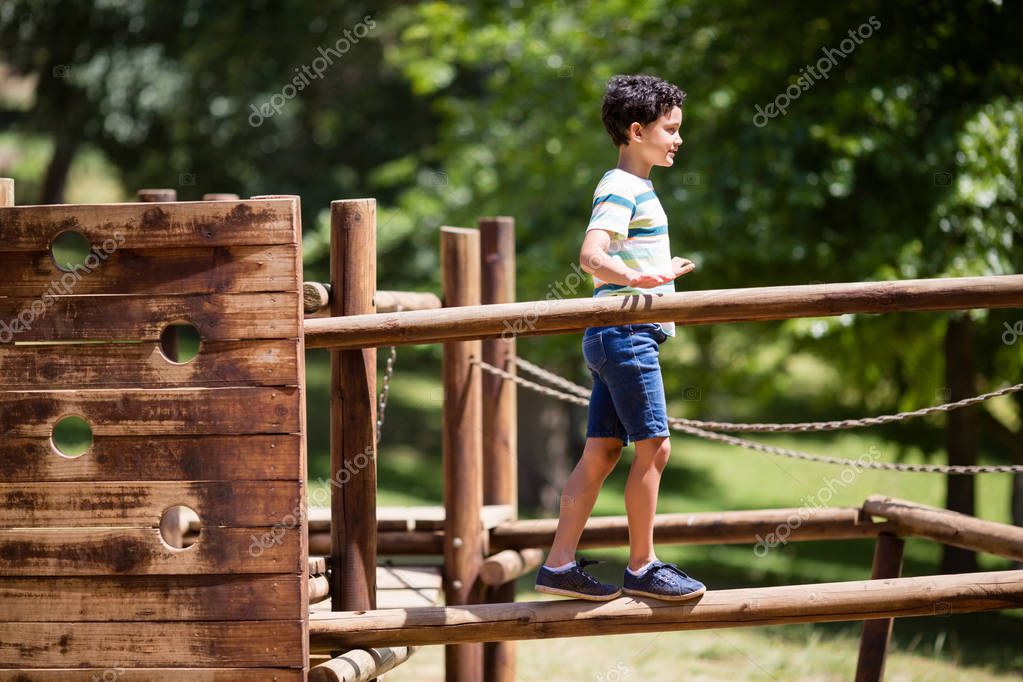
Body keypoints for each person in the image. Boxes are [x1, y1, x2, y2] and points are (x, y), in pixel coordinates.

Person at [533, 74, 705, 601]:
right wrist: (642, 279)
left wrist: (654, 273)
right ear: (637, 130)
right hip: (626, 333)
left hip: (618, 335)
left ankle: (559, 567)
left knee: (604, 450)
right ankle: (643, 566)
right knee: (655, 448)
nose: (678, 139)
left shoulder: (637, 187)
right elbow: (591, 256)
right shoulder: (620, 186)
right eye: (670, 129)